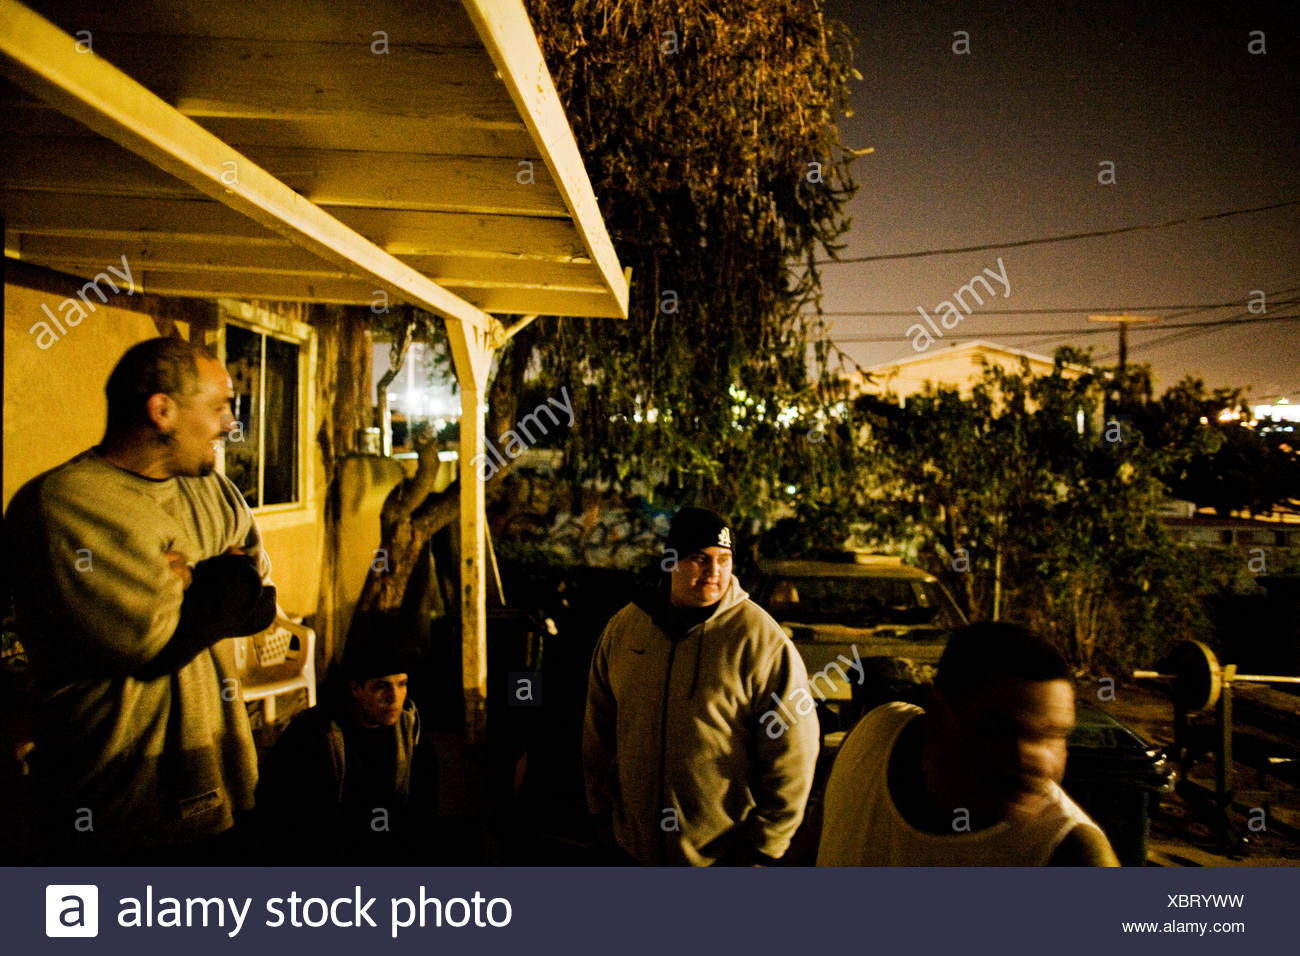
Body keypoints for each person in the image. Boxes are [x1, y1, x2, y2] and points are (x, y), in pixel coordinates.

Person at [4, 336, 278, 861]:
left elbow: (262, 602)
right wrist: (226, 577)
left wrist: (197, 581)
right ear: (163, 410)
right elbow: (155, 647)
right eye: (220, 407)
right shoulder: (66, 503)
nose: (229, 425)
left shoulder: (211, 490)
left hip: (220, 772)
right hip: (117, 801)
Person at [583, 506, 819, 865]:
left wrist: (765, 845)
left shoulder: (760, 640)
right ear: (671, 561)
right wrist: (601, 812)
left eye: (724, 560)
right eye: (699, 559)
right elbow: (598, 728)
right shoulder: (627, 628)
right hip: (631, 851)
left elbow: (794, 752)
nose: (714, 572)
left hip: (725, 858)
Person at [817, 621, 1119, 866]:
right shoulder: (874, 735)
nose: (1036, 759)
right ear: (937, 713)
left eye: (1055, 735)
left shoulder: (1074, 855)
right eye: (1003, 729)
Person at [256, 616, 438, 864]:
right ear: (356, 689)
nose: (395, 698)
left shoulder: (409, 732)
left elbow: (418, 816)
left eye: (402, 684)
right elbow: (290, 825)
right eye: (381, 687)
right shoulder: (314, 736)